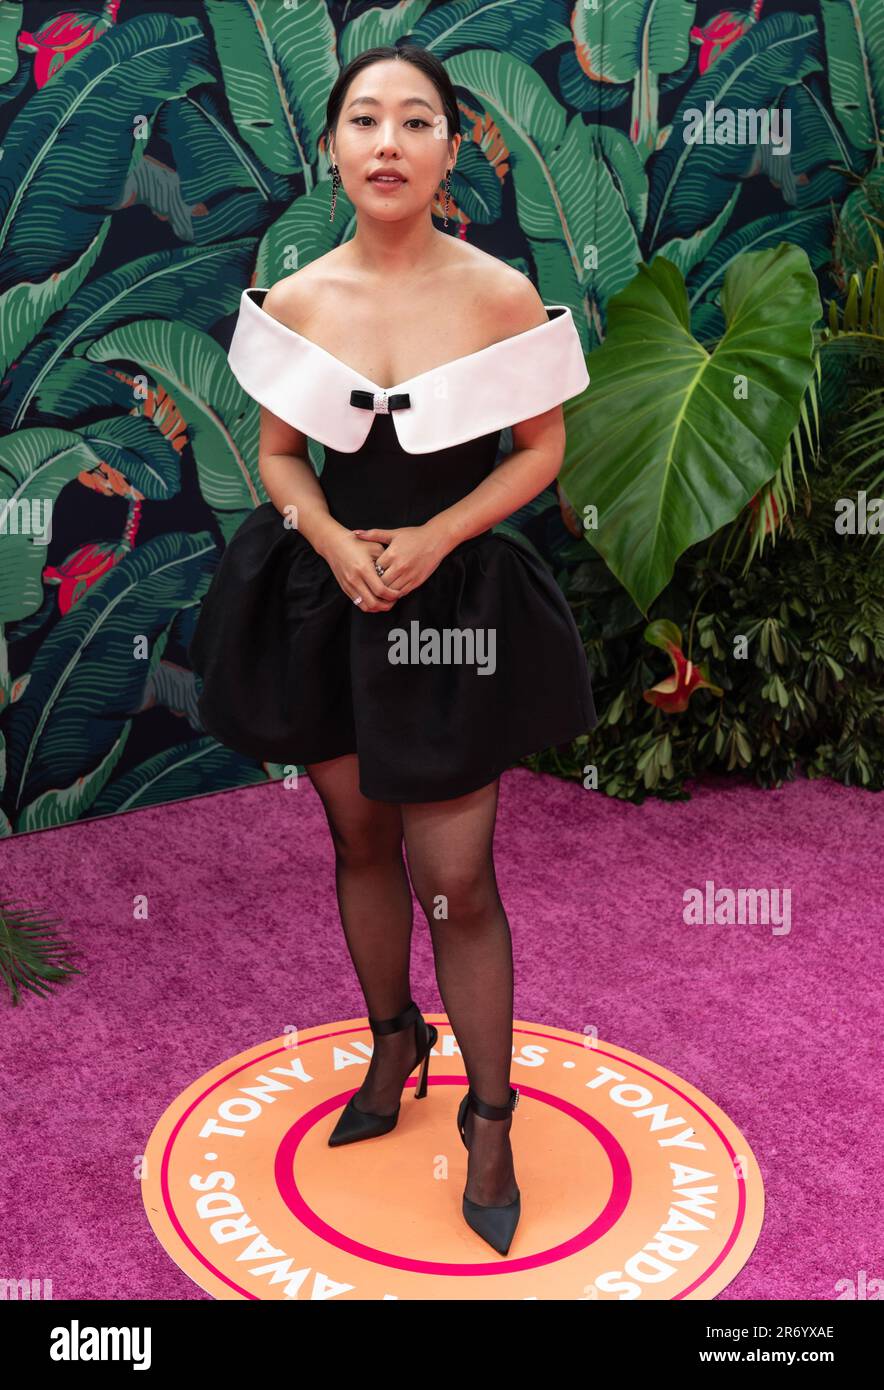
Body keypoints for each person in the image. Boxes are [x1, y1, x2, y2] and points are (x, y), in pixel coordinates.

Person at [188, 44, 597, 1257]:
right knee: (358, 838)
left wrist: (433, 536)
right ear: (328, 146)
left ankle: (488, 1113)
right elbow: (274, 459)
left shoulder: (498, 294)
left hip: (451, 605)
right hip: (323, 601)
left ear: (448, 150)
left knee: (457, 877)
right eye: (362, 119)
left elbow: (539, 449)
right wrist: (324, 535)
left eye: (414, 121)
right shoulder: (300, 297)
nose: (385, 143)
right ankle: (390, 1037)